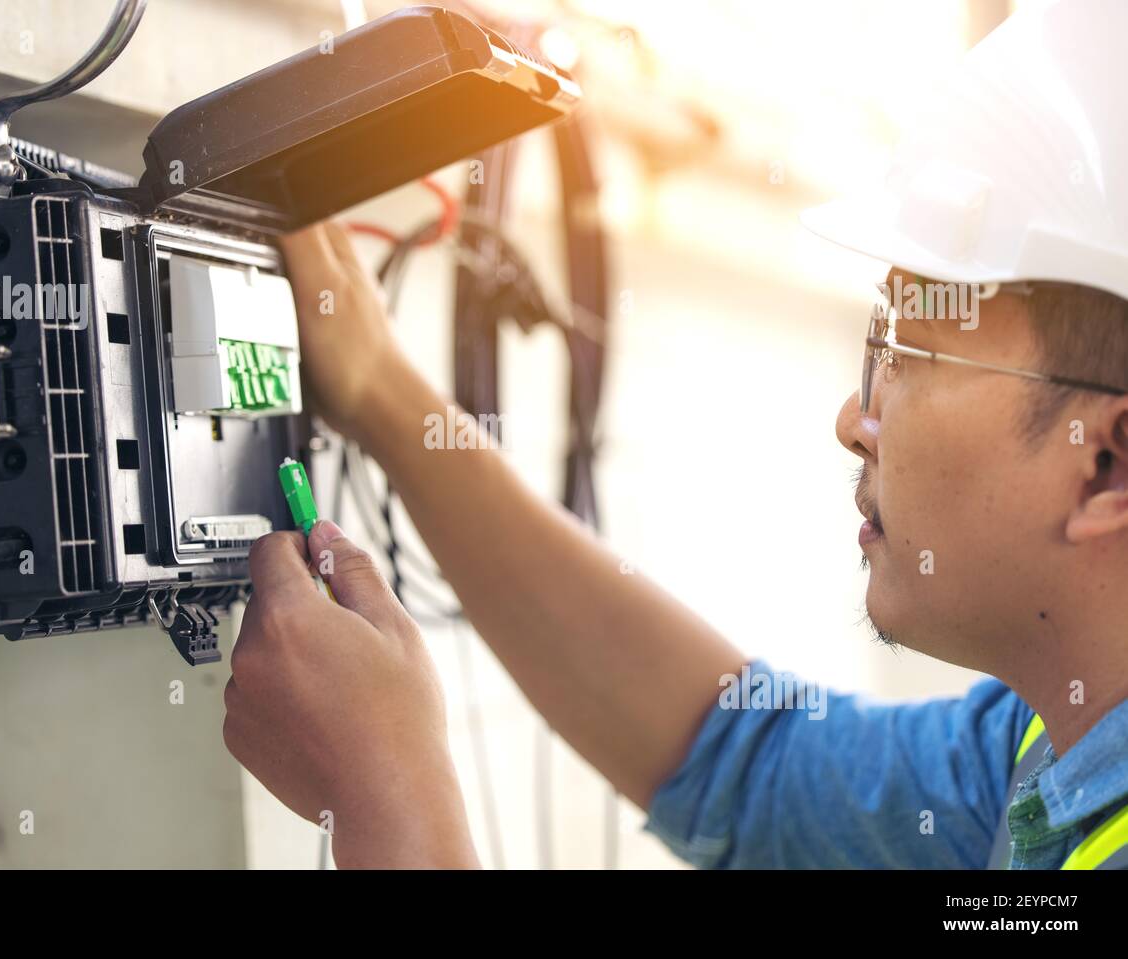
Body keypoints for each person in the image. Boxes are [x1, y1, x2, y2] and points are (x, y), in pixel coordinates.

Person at [222, 0, 1128, 869]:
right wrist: (381, 389)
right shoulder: (1044, 750)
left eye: (907, 350)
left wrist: (388, 801)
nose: (854, 422)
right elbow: (749, 766)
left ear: (1105, 464)